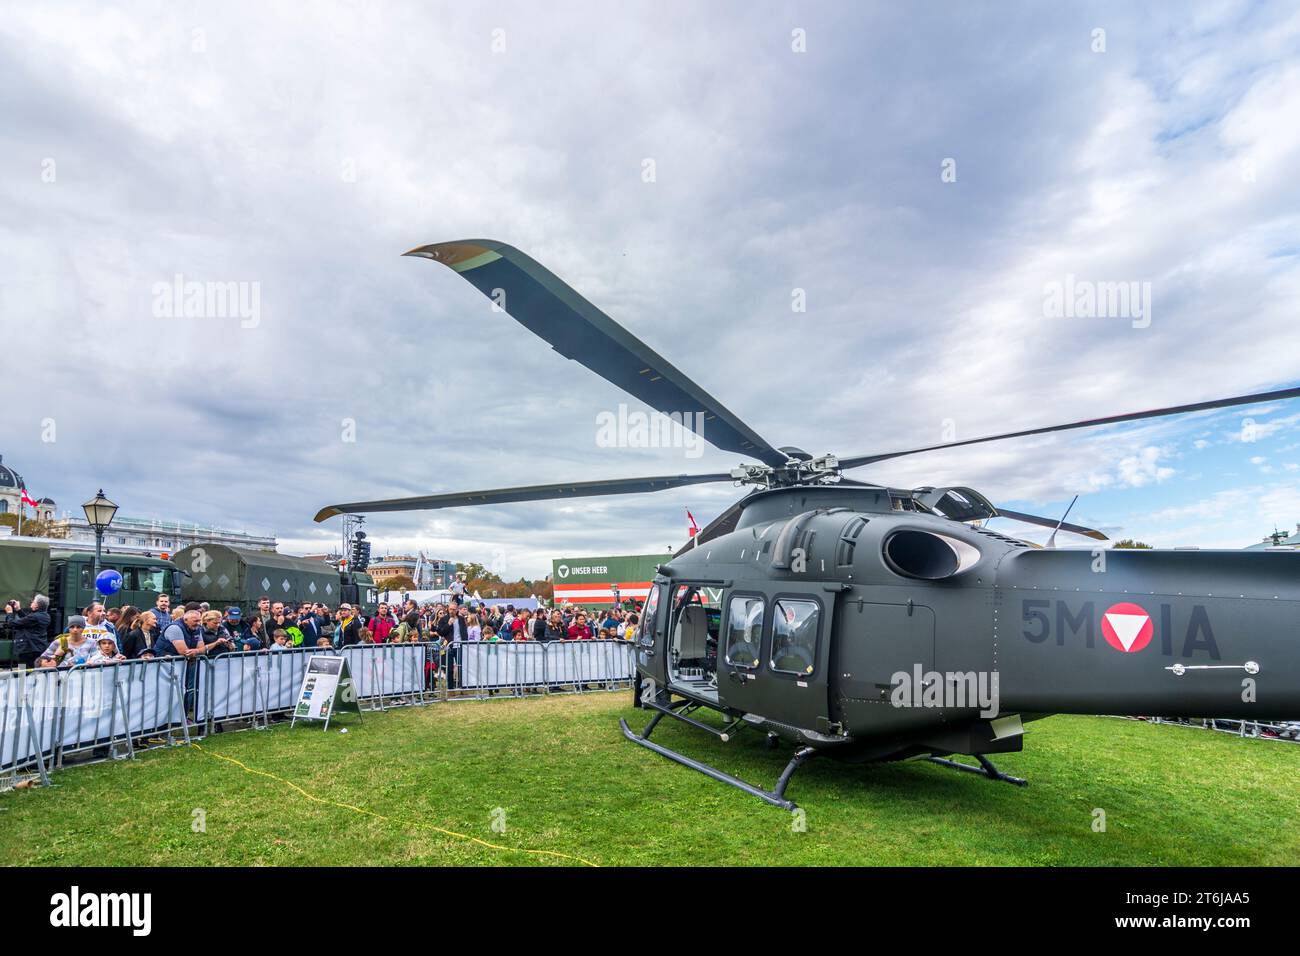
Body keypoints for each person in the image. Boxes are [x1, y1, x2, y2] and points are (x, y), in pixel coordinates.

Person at [5, 594, 52, 669]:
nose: (31, 602)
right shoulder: (46, 616)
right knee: (35, 671)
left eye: (33, 602)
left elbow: (12, 623)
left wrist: (9, 613)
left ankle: (22, 680)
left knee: (22, 672)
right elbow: (27, 621)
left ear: (37, 606)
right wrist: (19, 610)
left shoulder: (34, 616)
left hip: (26, 651)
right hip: (38, 648)